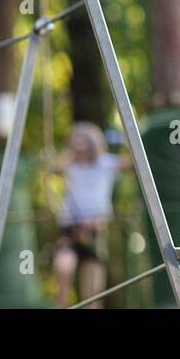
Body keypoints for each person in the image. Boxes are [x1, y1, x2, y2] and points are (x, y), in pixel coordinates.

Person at [50, 122, 128, 308]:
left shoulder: (106, 163)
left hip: (95, 230)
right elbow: (53, 168)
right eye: (78, 144)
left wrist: (127, 133)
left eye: (86, 143)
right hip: (70, 228)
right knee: (63, 268)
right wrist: (72, 147)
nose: (82, 148)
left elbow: (132, 163)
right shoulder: (69, 165)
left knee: (92, 292)